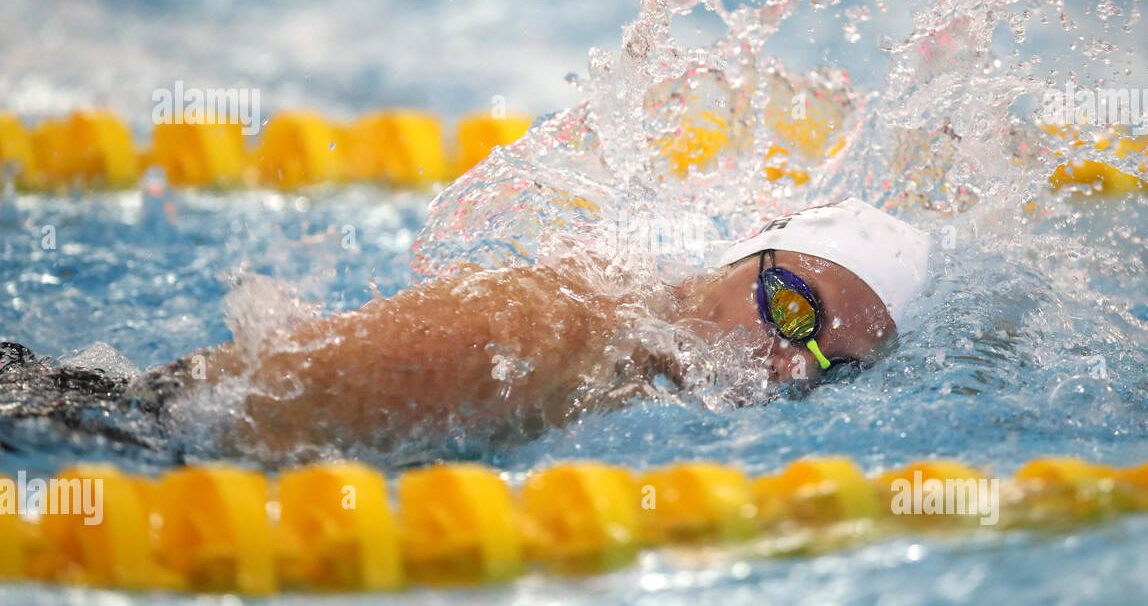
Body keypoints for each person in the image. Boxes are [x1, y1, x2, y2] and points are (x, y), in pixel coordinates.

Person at [0, 198, 929, 449]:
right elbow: (260, 405)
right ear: (746, 255)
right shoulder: (553, 328)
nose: (785, 365)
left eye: (829, 364)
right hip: (92, 426)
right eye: (792, 309)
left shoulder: (625, 373)